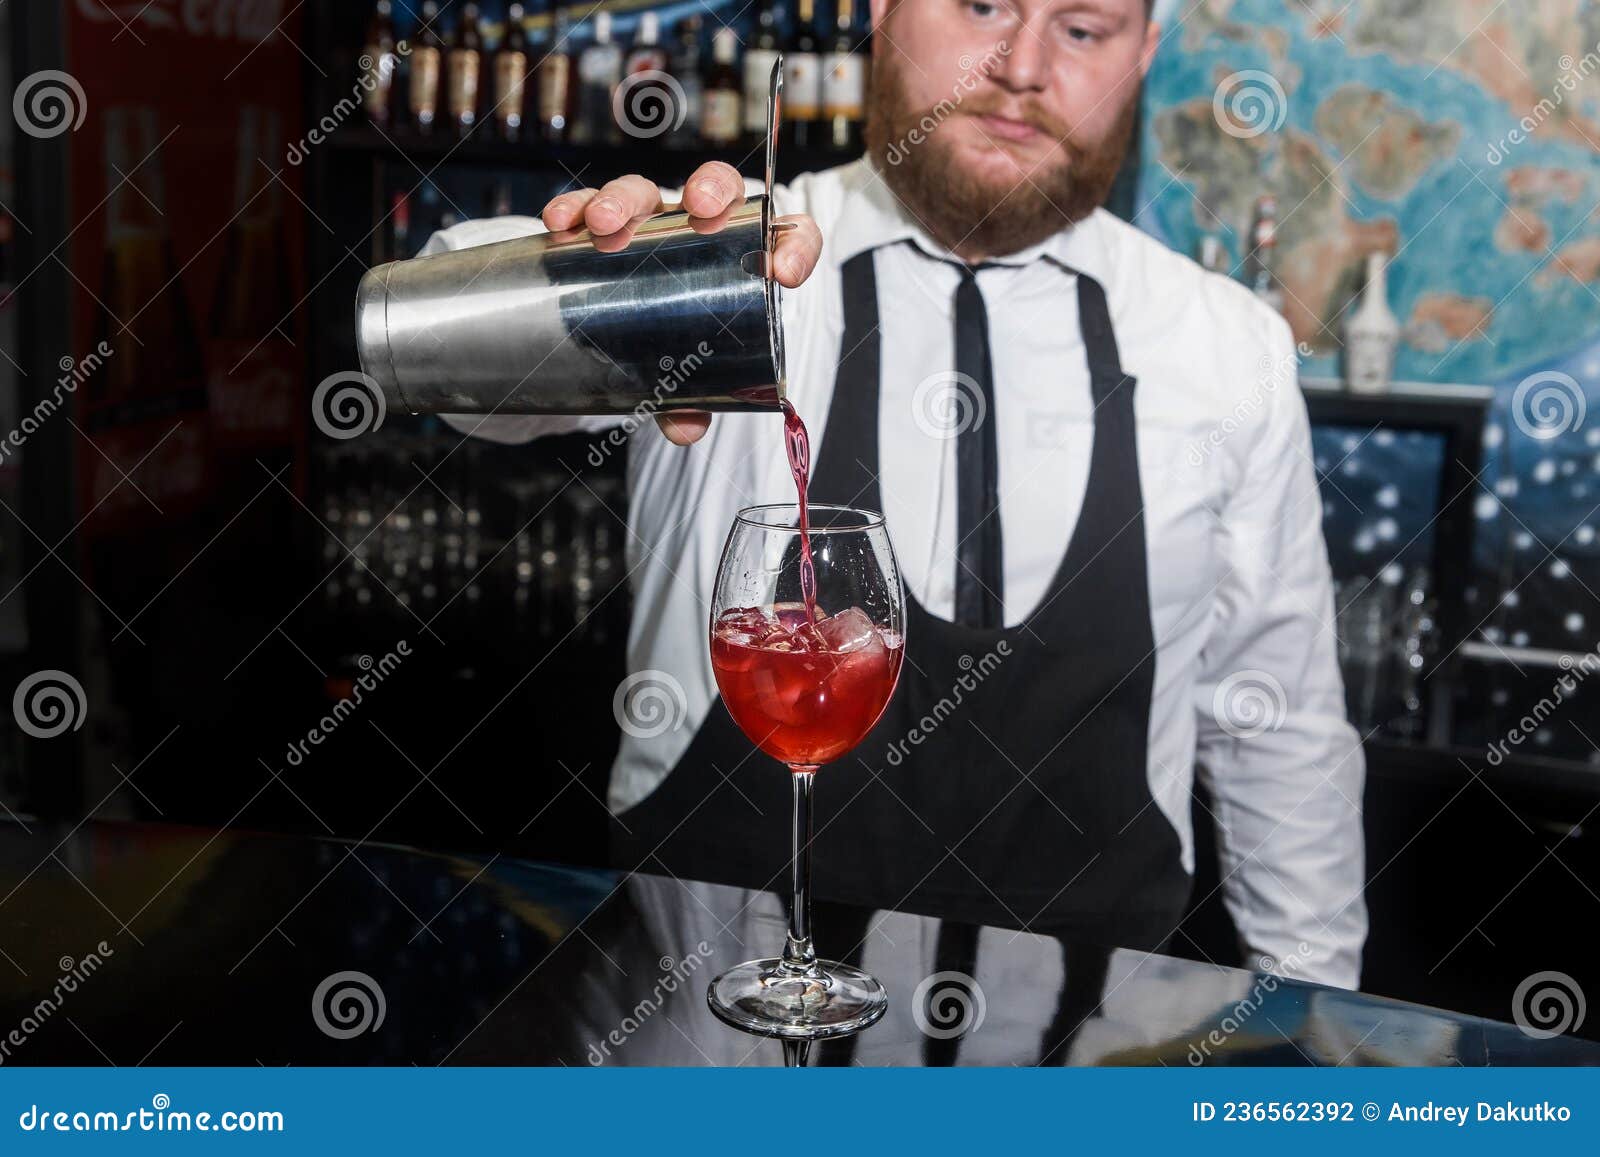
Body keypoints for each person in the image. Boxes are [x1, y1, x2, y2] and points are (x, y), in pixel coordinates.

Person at [423, 0, 1366, 988]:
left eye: (1083, 28)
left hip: (1091, 1058)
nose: (1022, 65)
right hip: (713, 1038)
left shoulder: (1221, 344)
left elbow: (1279, 723)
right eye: (982, 7)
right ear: (880, 12)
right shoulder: (727, 264)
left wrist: (1323, 1021)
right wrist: (583, 272)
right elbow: (448, 367)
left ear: (1144, 57)